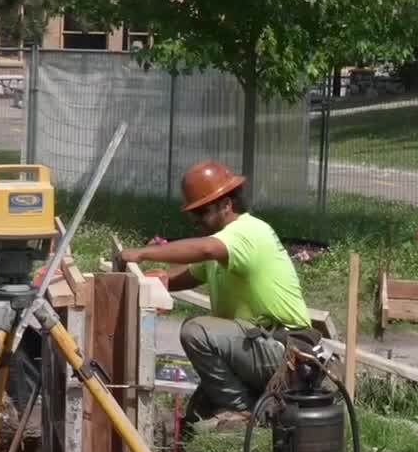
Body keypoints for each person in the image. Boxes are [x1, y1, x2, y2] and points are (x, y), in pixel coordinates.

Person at [119, 160, 319, 427]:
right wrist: (152, 281)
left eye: (202, 212)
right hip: (260, 347)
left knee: (196, 331)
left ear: (226, 204)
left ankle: (244, 411)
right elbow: (190, 273)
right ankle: (241, 406)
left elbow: (206, 250)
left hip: (286, 350)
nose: (197, 220)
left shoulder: (246, 233)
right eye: (194, 213)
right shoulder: (223, 244)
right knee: (195, 417)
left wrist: (143, 253)